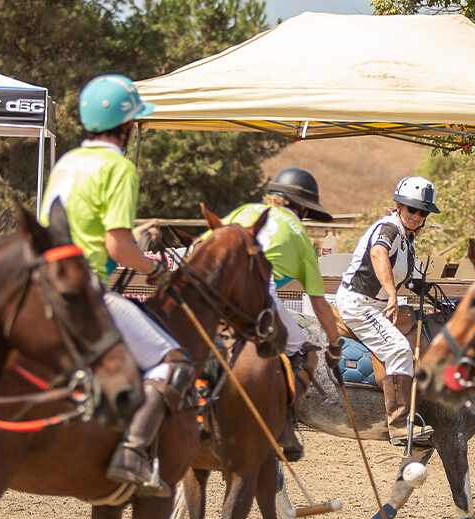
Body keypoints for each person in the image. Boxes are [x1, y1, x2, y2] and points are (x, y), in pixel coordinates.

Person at [39, 74, 189, 497]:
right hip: (85, 289)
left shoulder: (66, 161)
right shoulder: (119, 168)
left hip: (42, 281)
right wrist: (153, 266)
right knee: (175, 363)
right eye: (134, 125)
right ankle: (132, 453)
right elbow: (117, 245)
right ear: (124, 128)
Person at [217, 168, 344, 462]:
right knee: (304, 351)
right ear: (302, 209)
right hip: (257, 295)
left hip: (213, 289)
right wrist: (334, 345)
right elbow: (321, 306)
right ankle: (284, 427)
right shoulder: (299, 236)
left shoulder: (245, 210)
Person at [337, 176, 438, 449]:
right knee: (399, 350)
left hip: (377, 304)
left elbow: (402, 270)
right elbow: (379, 254)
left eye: (422, 212)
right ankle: (399, 426)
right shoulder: (389, 229)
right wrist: (393, 293)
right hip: (358, 303)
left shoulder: (407, 238)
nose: (417, 216)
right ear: (398, 205)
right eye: (412, 209)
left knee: (420, 325)